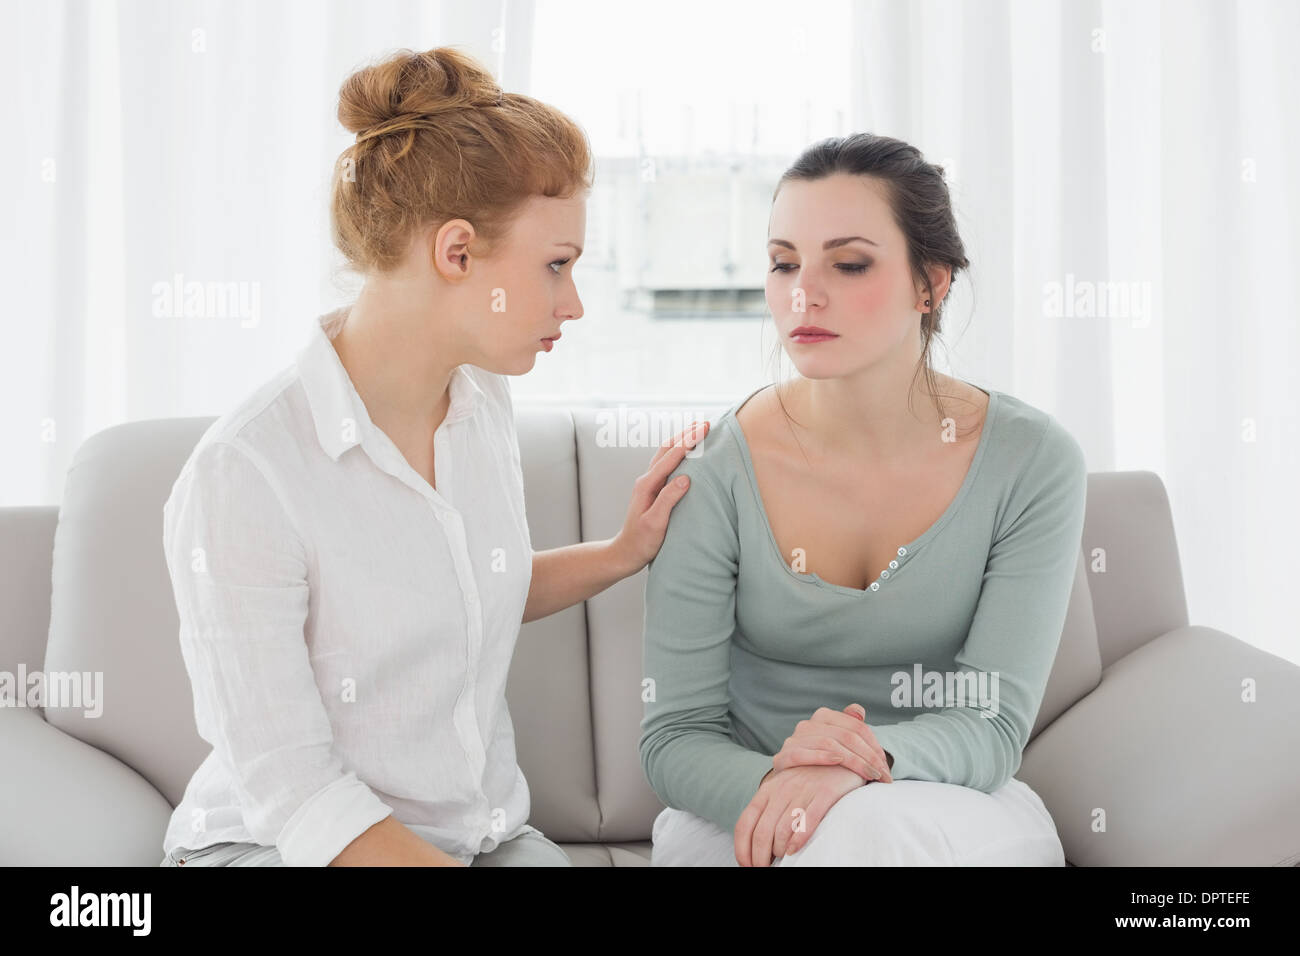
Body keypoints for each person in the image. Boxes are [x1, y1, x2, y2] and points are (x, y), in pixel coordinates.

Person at [160, 46, 705, 867]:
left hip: (475, 840)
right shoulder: (245, 474)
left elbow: (470, 585)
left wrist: (621, 554)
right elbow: (297, 791)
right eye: (556, 266)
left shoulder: (482, 403)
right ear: (456, 254)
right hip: (277, 847)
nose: (575, 303)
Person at [639, 132, 1087, 866]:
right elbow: (675, 736)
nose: (803, 294)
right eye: (784, 263)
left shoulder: (1031, 461)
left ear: (931, 284)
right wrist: (793, 787)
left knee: (873, 834)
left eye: (848, 264)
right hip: (744, 802)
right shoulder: (715, 468)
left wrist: (857, 762)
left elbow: (992, 723)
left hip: (947, 799)